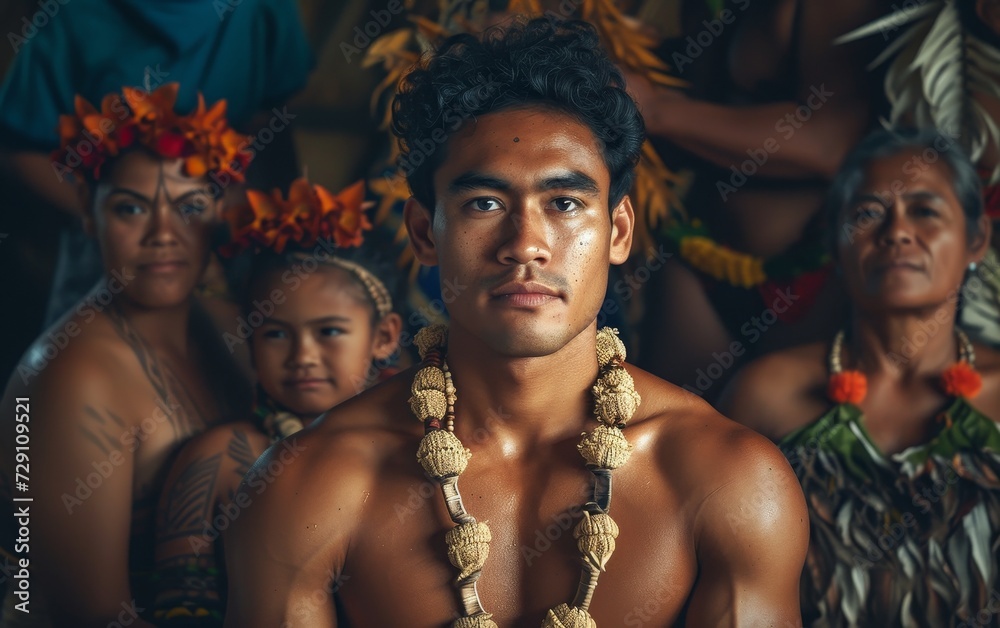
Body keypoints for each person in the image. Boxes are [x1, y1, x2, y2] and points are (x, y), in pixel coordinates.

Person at [223, 17, 807, 626]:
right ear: (425, 233)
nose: (526, 244)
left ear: (620, 231)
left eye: (565, 203)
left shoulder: (729, 480)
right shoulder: (311, 483)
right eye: (485, 203)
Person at [719, 128, 1000, 626]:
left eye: (926, 210)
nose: (897, 231)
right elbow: (723, 581)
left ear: (976, 240)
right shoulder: (766, 395)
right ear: (836, 240)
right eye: (868, 214)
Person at [0, 85, 252, 626]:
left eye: (190, 207)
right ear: (89, 217)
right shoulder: (73, 376)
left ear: (219, 212)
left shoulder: (221, 323)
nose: (163, 234)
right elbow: (91, 616)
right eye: (130, 208)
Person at [152, 178, 403, 625]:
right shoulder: (222, 461)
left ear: (384, 336)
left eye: (328, 332)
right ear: (249, 344)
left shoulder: (423, 442)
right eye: (275, 334)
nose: (302, 356)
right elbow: (182, 611)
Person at [624, 0, 892, 399]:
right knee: (672, 436)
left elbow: (829, 141)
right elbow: (704, 107)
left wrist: (658, 110)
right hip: (698, 252)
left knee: (790, 445)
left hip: (807, 270)